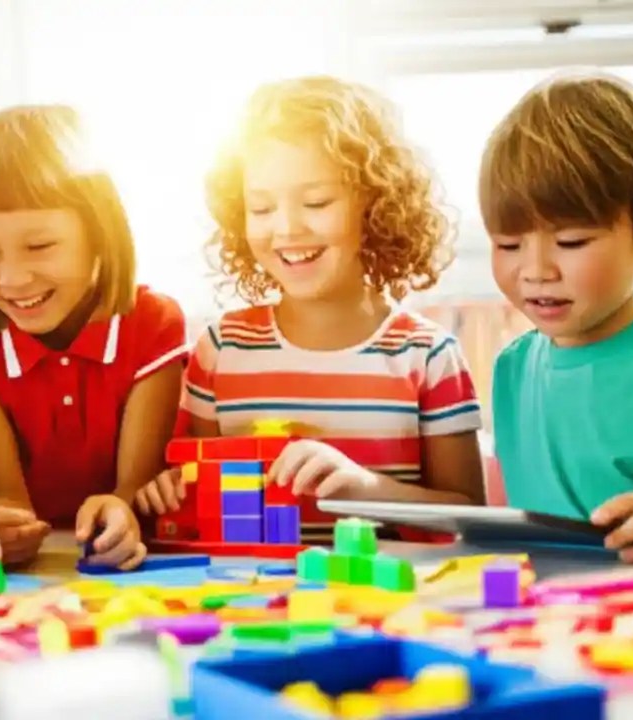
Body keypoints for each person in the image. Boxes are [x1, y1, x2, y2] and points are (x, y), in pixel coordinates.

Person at [135, 76, 485, 519]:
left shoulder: (427, 356)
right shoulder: (221, 351)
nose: (286, 228)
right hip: (252, 586)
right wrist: (170, 493)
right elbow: (197, 497)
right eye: (261, 209)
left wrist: (367, 488)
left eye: (316, 202)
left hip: (386, 588)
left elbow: (470, 516)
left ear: (377, 205)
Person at [0, 106, 187, 568]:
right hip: (37, 574)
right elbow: (4, 500)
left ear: (99, 235)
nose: (12, 278)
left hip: (134, 563)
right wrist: (4, 527)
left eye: (39, 246)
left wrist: (120, 510)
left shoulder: (154, 322)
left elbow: (132, 491)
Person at [482, 69, 633, 564]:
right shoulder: (513, 368)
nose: (536, 271)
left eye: (571, 242)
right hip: (548, 622)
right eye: (508, 244)